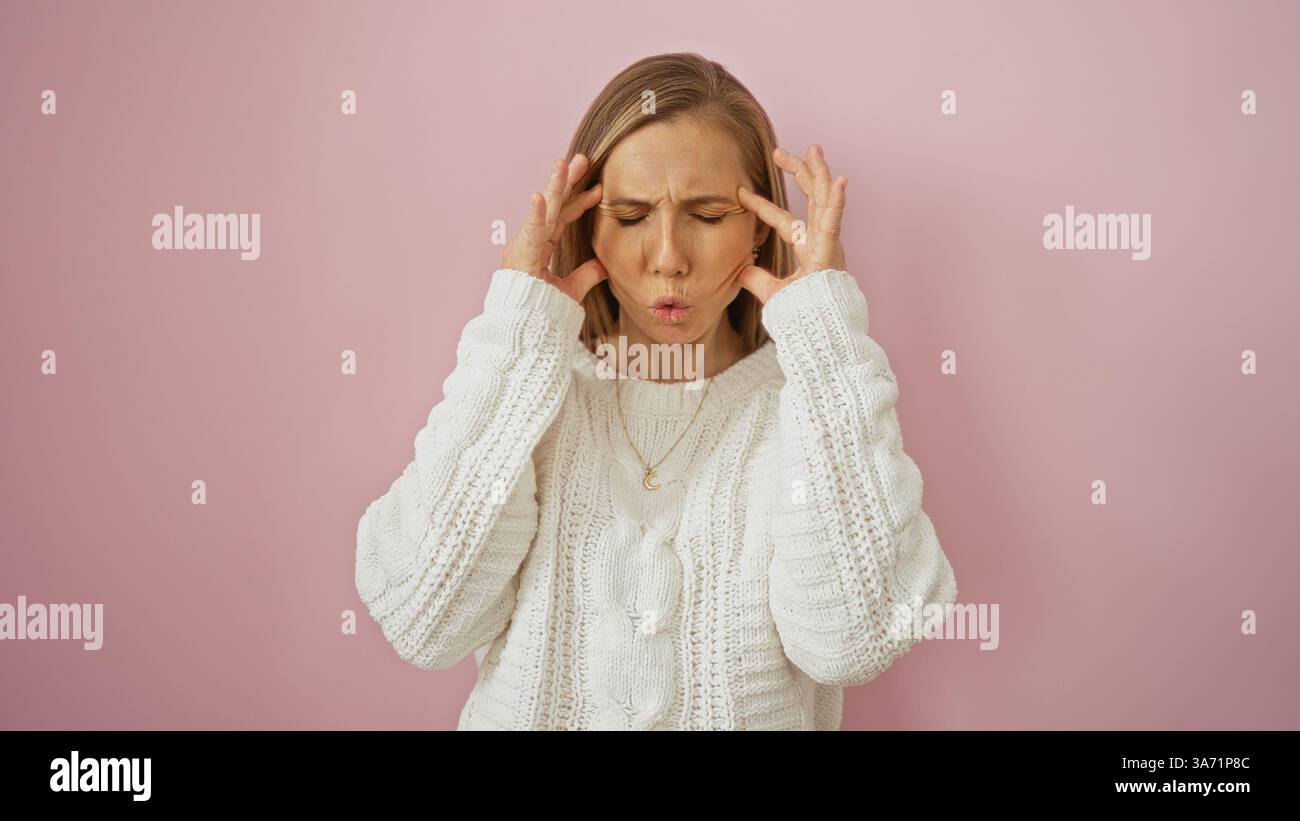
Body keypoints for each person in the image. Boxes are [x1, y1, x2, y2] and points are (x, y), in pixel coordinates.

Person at [354, 52, 957, 730]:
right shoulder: (531, 392)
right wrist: (515, 333)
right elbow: (423, 618)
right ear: (586, 223)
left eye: (705, 213)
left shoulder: (808, 405)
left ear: (760, 224)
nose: (667, 255)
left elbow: (856, 636)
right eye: (633, 214)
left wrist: (826, 339)